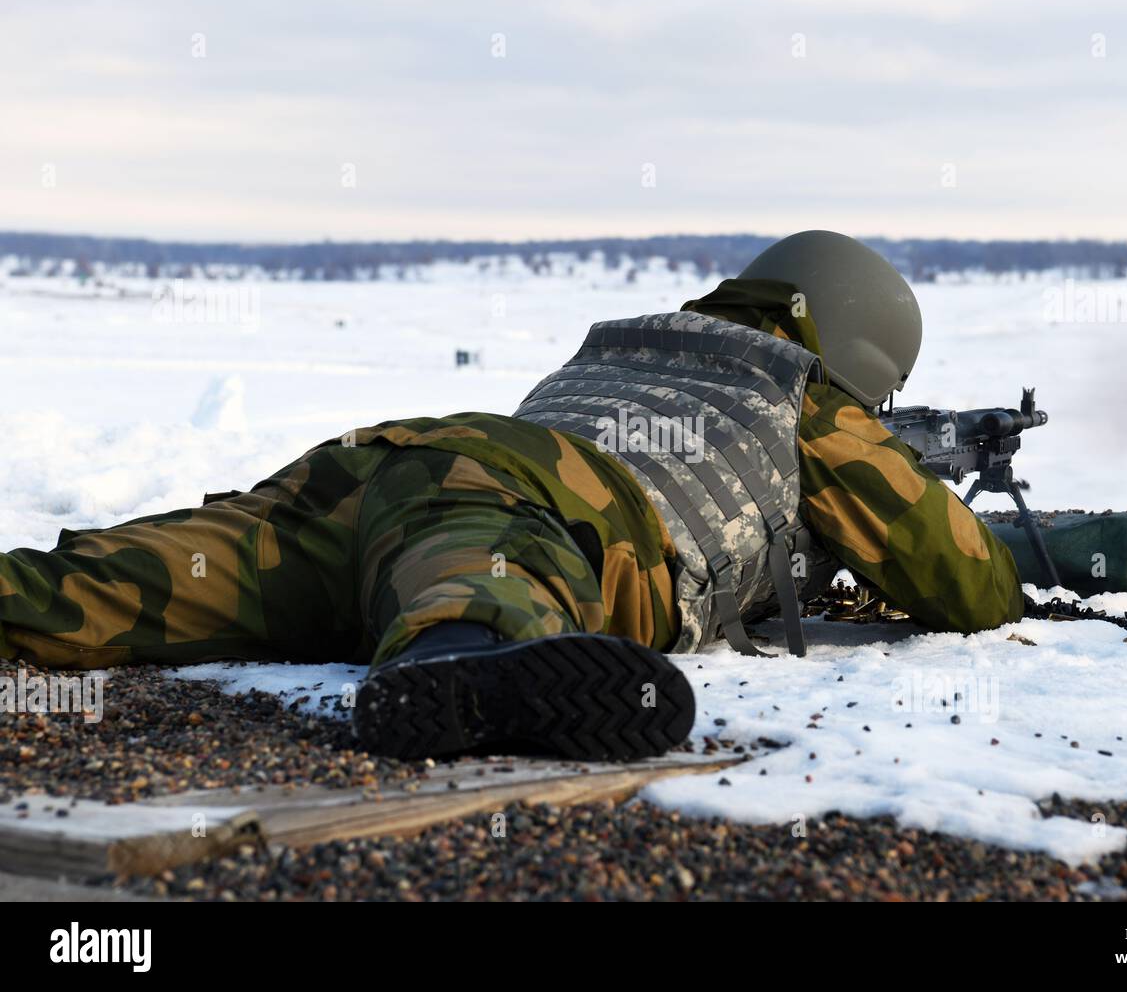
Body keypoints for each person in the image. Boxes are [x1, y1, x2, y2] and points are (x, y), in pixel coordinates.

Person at [0, 231, 1023, 762]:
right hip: (494, 504)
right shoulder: (800, 396)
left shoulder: (627, 342)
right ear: (856, 352)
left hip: (370, 469)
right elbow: (969, 584)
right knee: (483, 583)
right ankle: (469, 667)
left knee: (122, 585)